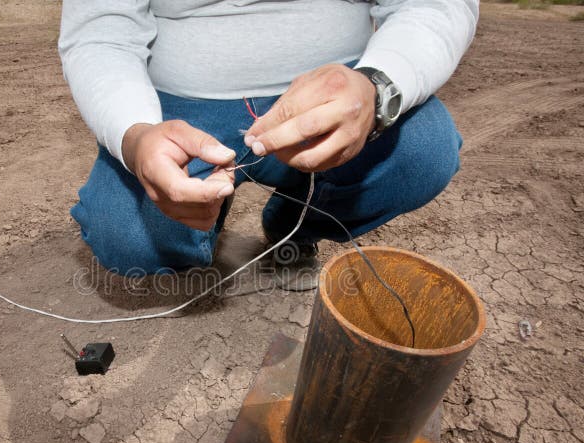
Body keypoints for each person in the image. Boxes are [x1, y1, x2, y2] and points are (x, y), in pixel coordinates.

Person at [58, 0, 478, 289]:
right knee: (129, 237)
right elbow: (101, 31)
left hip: (339, 88)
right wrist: (136, 136)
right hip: (179, 108)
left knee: (422, 152)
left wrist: (378, 85)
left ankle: (294, 224)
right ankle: (198, 217)